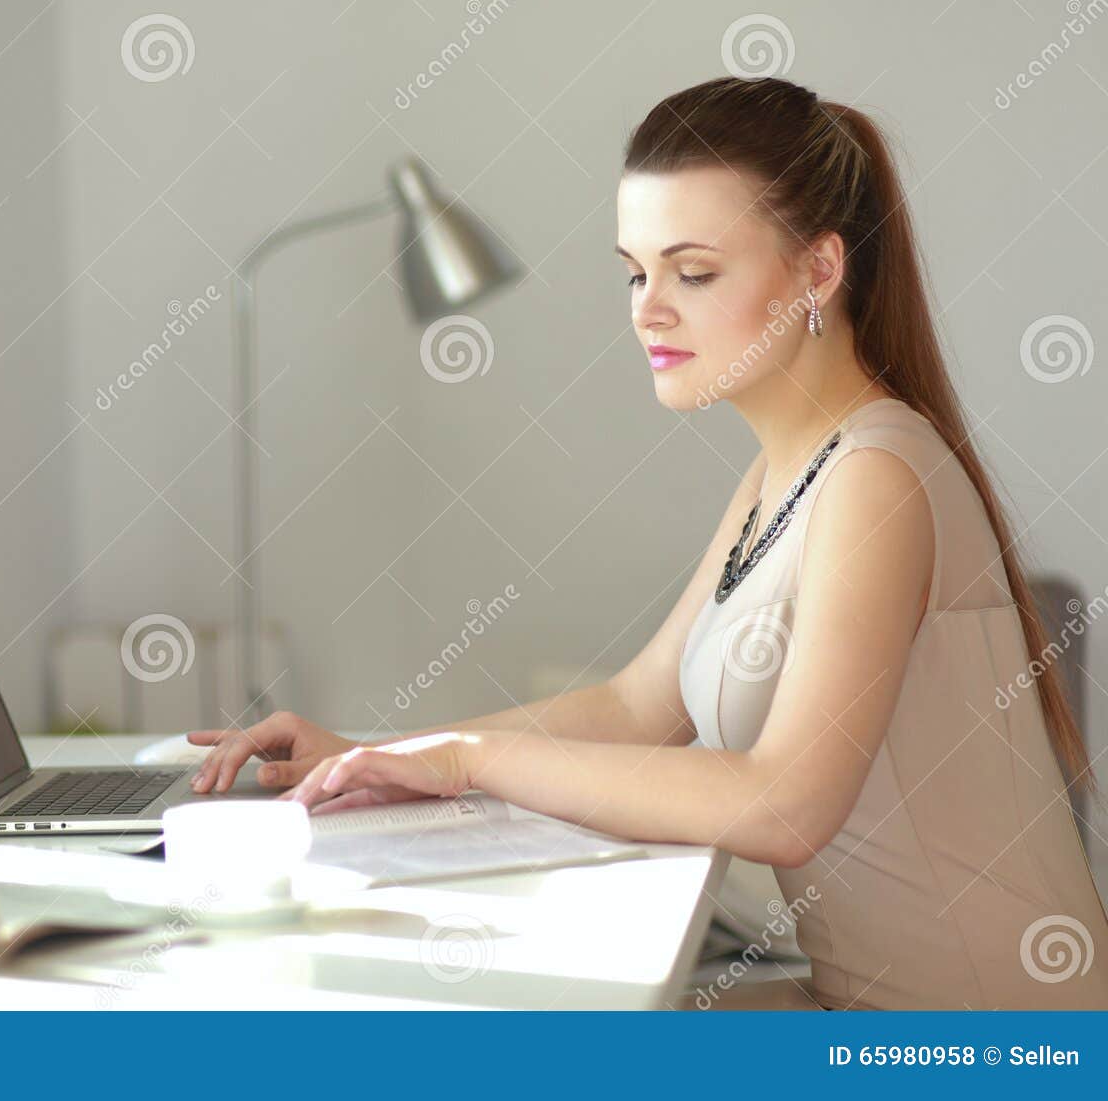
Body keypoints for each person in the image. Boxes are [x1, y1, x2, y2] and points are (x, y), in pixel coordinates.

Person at [183, 76, 1108, 1011]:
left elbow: (782, 803)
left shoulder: (878, 474)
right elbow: (637, 707)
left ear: (820, 271)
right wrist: (376, 755)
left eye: (693, 272)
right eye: (635, 270)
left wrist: (469, 758)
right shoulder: (789, 472)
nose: (648, 309)